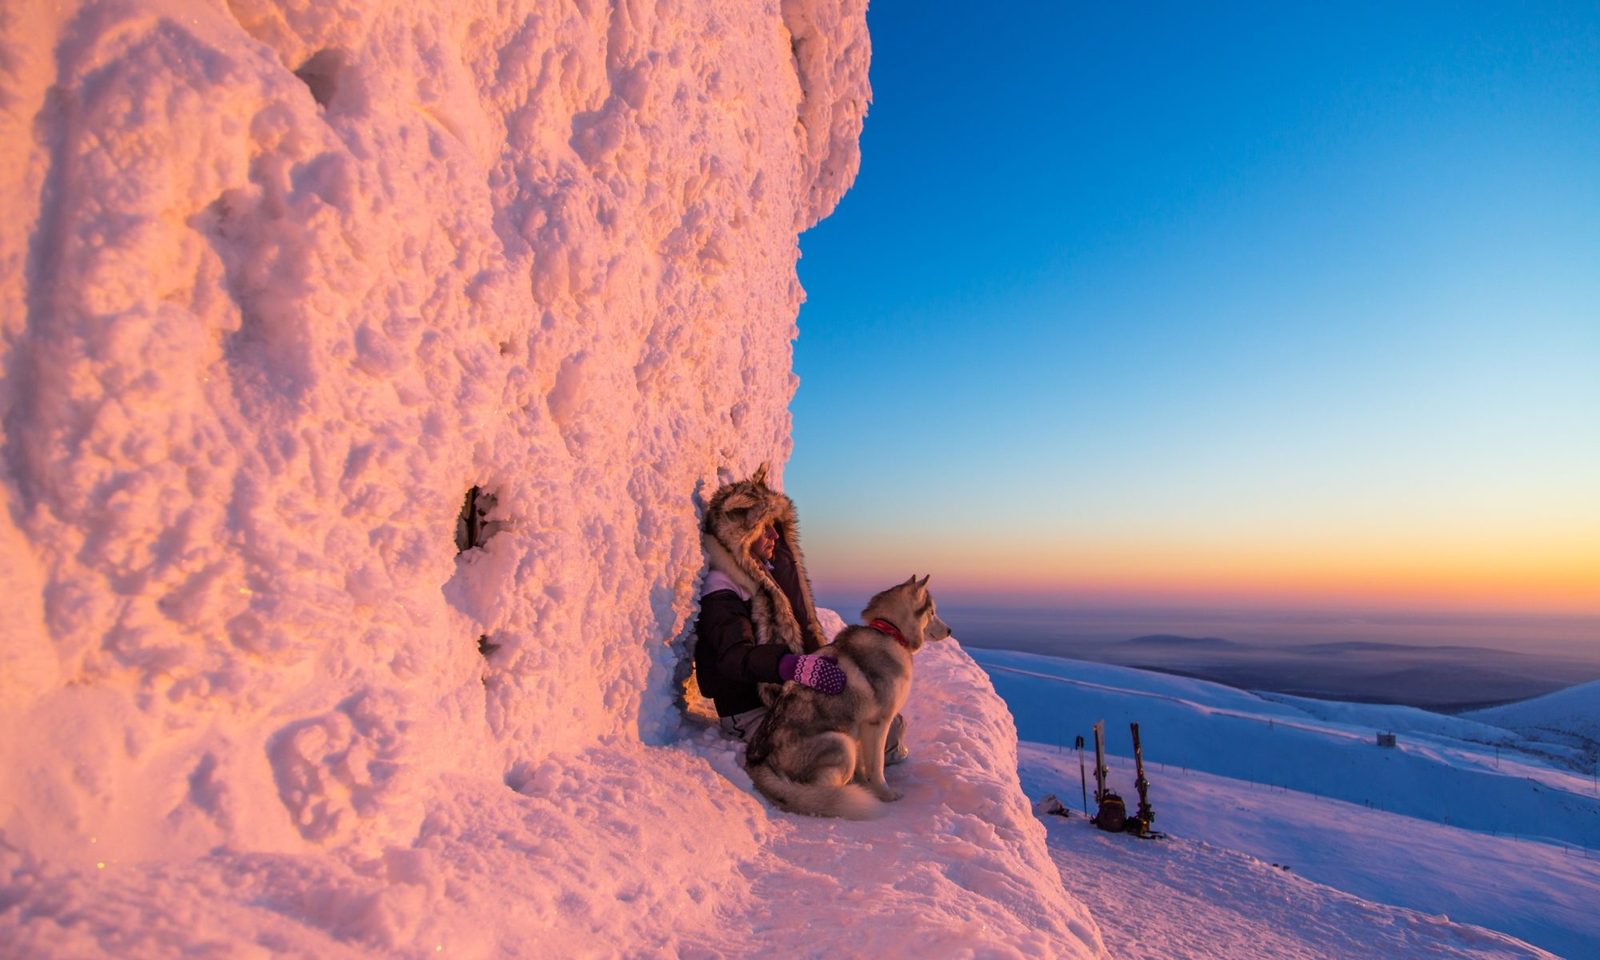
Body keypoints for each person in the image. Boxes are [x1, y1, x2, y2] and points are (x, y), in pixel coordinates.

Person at [694, 467, 907, 762]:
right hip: (748, 712)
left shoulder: (766, 580)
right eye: (763, 527)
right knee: (839, 745)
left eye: (774, 527)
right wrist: (790, 666)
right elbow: (733, 656)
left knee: (881, 718)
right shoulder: (723, 586)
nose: (772, 535)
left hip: (785, 699)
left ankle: (883, 761)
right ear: (740, 533)